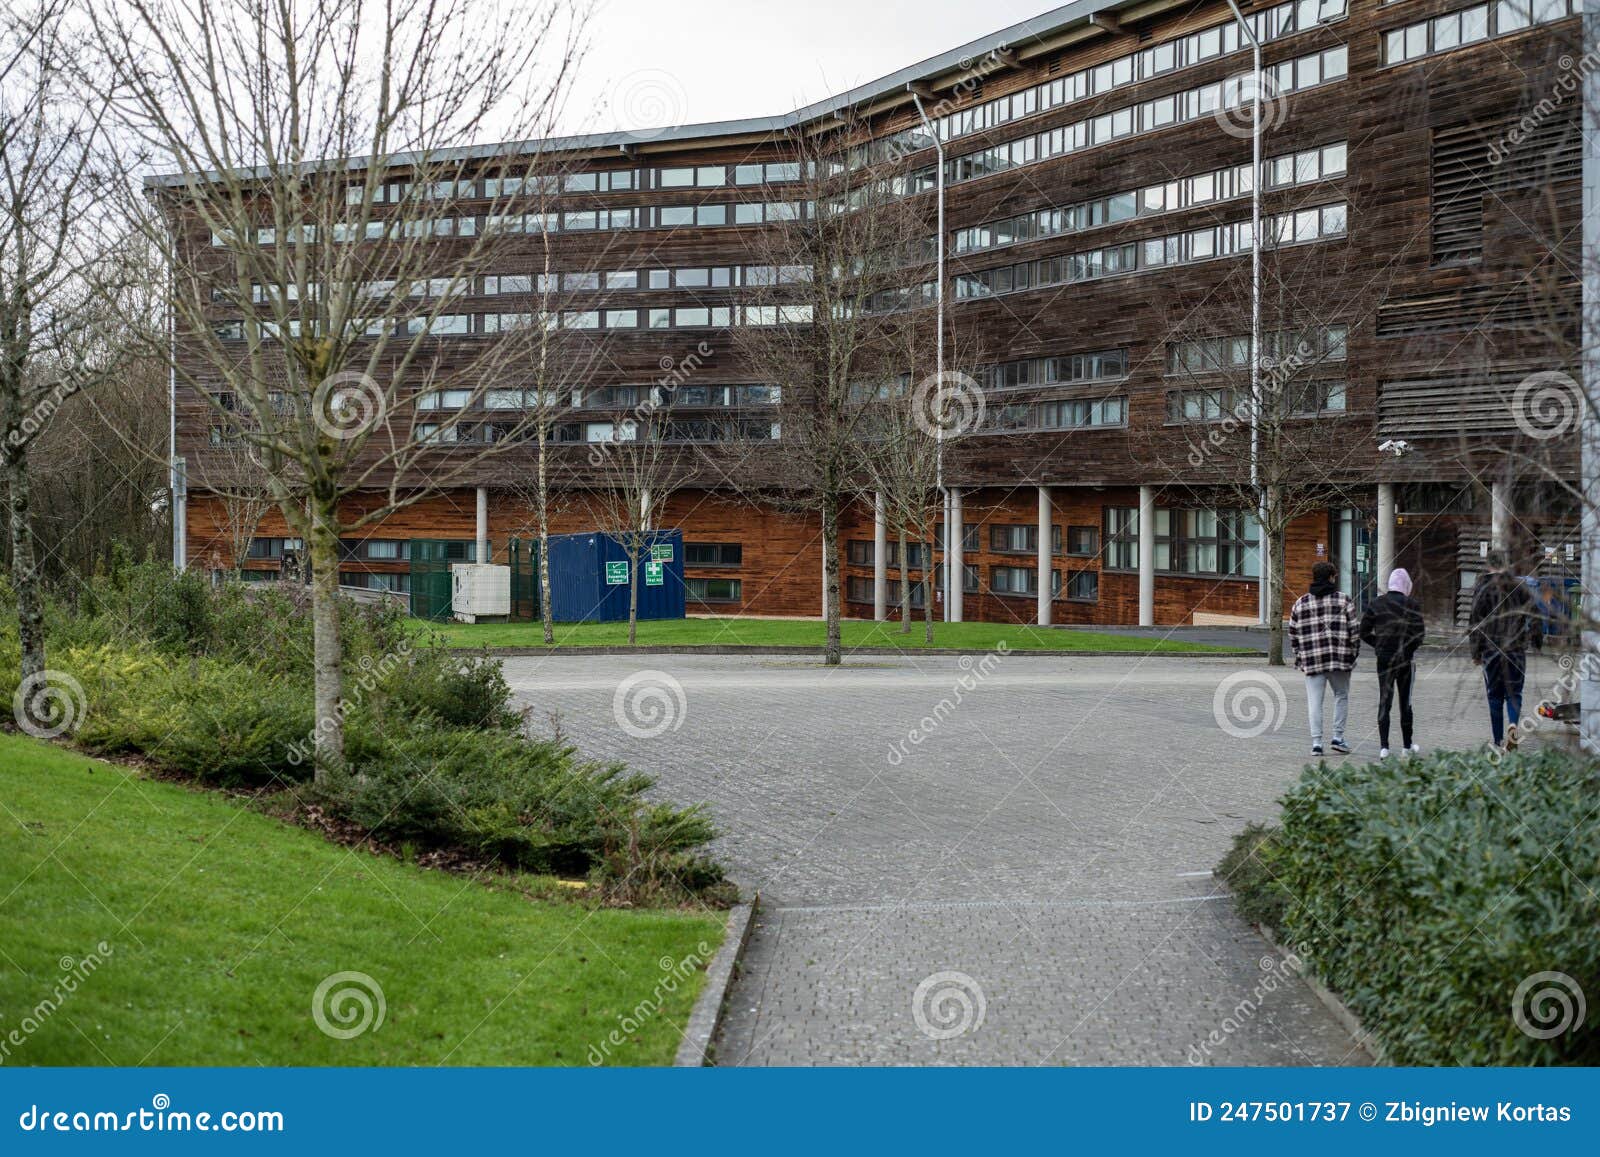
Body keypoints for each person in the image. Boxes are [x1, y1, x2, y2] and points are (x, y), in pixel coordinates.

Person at [1468, 550, 1542, 751]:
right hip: (1516, 649)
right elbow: (1535, 614)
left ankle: (1498, 740)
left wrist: (1476, 652)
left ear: (1488, 565)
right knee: (1514, 693)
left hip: (1491, 650)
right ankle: (1512, 725)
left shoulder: (1482, 588)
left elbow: (1475, 622)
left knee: (1494, 695)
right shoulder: (1520, 586)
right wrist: (1535, 640)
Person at [1287, 561, 1361, 757]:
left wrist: (1300, 656)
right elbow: (1355, 632)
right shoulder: (1344, 600)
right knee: (1341, 696)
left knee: (1314, 702)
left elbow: (1292, 634)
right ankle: (1338, 737)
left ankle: (1317, 743)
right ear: (1331, 577)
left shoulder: (1300, 603)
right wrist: (1353, 654)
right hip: (1340, 660)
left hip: (1312, 661)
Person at [1359, 567, 1426, 757]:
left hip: (1384, 659)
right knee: (1406, 702)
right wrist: (1408, 649)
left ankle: (1384, 747)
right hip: (1405, 660)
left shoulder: (1377, 604)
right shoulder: (1412, 604)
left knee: (1384, 701)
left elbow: (1363, 632)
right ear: (1406, 584)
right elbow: (1420, 634)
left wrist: (1378, 645)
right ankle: (1406, 747)